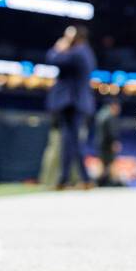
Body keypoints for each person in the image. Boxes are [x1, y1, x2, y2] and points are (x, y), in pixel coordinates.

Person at [45, 25, 97, 190]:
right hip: (76, 103)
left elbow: (53, 59)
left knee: (72, 141)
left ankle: (82, 178)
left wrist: (59, 47)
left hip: (72, 103)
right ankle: (67, 178)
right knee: (70, 141)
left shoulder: (77, 52)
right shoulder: (86, 52)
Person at [93, 99, 122, 186]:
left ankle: (98, 182)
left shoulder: (101, 114)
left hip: (100, 143)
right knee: (111, 162)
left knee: (102, 162)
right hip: (107, 144)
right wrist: (114, 142)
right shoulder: (109, 116)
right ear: (114, 106)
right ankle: (114, 182)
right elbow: (111, 131)